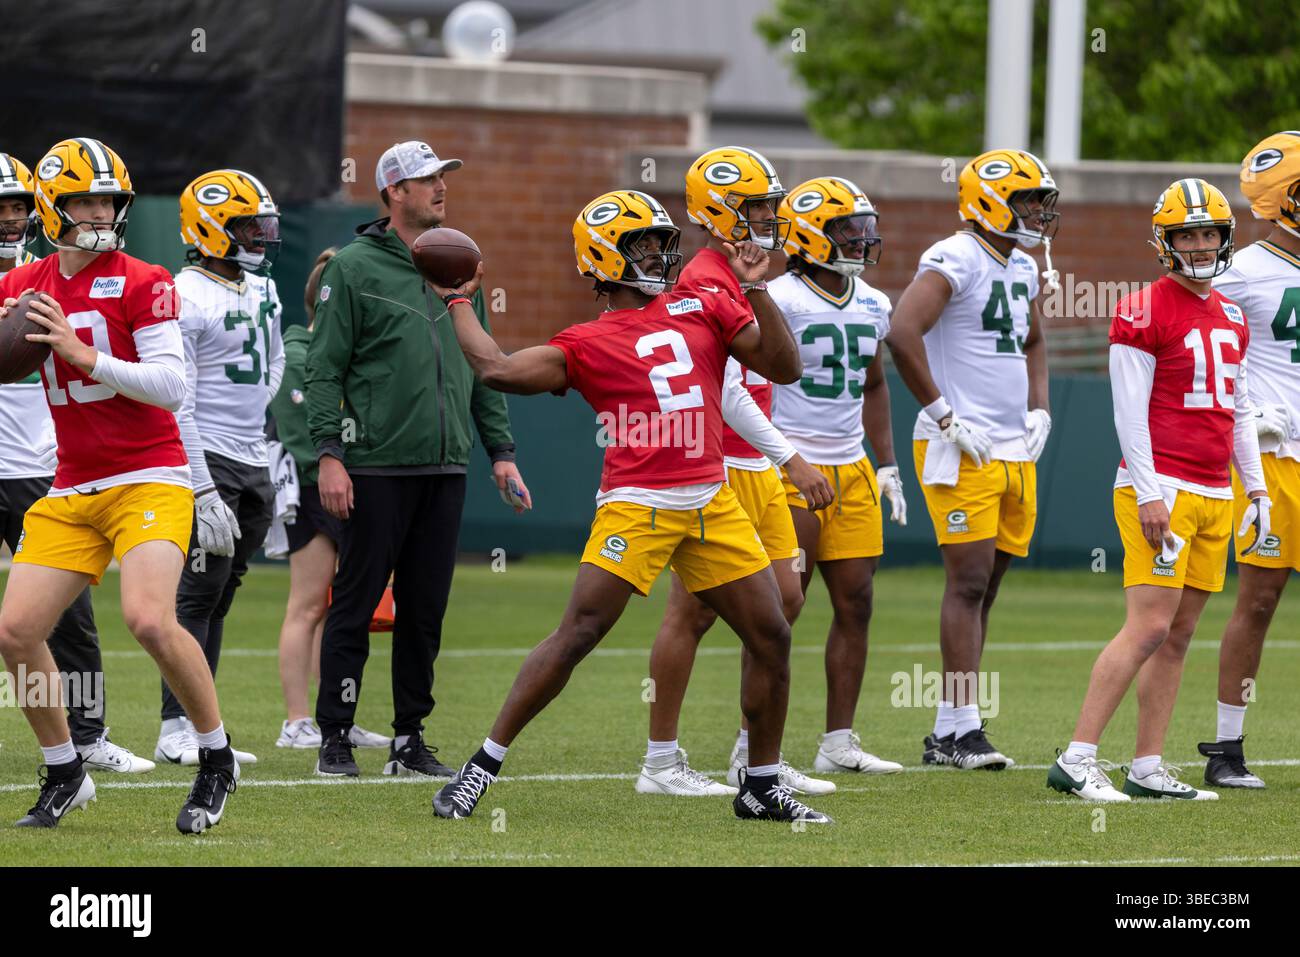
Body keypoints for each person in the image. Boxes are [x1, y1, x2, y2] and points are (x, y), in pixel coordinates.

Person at [433, 188, 833, 824]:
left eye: (661, 242)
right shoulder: (586, 342)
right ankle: (479, 769)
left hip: (711, 498)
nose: (658, 254)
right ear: (602, 258)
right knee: (579, 634)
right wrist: (457, 300)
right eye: (641, 244)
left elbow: (783, 367)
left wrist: (757, 288)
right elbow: (497, 370)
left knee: (772, 635)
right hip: (638, 505)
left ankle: (758, 786)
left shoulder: (702, 306)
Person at [0, 137, 240, 832]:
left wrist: (84, 353)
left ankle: (214, 755)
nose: (101, 211)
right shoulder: (21, 285)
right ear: (53, 205)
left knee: (148, 617)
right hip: (73, 483)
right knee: (15, 632)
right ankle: (64, 769)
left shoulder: (145, 278)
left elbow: (171, 385)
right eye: (86, 199)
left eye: (109, 198)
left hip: (148, 475)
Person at [307, 141, 529, 777]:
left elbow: (484, 363)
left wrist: (502, 453)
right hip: (374, 465)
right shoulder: (353, 267)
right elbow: (324, 370)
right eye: (426, 179)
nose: (441, 188)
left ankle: (409, 739)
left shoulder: (460, 263)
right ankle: (336, 736)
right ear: (393, 192)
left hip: (445, 466)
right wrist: (329, 454)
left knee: (425, 611)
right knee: (354, 604)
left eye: (443, 178)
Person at [1048, 178, 1269, 802]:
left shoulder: (1230, 311)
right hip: (1163, 486)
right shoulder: (1144, 307)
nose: (1199, 245)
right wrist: (1148, 493)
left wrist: (1256, 490)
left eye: (1208, 233)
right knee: (1147, 627)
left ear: (1225, 237)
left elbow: (1241, 406)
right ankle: (1078, 756)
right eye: (1186, 234)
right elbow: (1129, 412)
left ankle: (1147, 765)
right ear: (1164, 241)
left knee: (1179, 634)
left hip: (1214, 493)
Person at [636, 146, 838, 798]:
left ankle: (753, 754)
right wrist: (791, 455)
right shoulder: (698, 278)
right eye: (754, 205)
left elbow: (783, 365)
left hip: (752, 461)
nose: (767, 217)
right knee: (690, 613)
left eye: (768, 205)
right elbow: (720, 388)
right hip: (715, 463)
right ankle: (660, 761)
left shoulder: (742, 273)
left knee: (784, 601)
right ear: (718, 211)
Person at [886, 149, 1058, 770]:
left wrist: (1040, 407)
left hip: (1012, 447)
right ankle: (962, 728)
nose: (1038, 213)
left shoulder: (1017, 264)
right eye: (1027, 201)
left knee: (986, 588)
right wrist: (943, 415)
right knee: (967, 583)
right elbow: (902, 332)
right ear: (989, 201)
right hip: (960, 444)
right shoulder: (956, 255)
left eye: (1042, 202)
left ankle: (947, 728)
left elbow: (1034, 340)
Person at [0, 152, 152, 774]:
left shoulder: (49, 276)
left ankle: (85, 736)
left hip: (38, 461)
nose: (9, 220)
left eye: (15, 207)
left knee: (65, 620)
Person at [766, 175, 905, 778]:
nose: (860, 239)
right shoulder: (776, 298)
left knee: (858, 602)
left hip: (852, 467)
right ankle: (754, 752)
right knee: (782, 608)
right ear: (806, 236)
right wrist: (779, 458)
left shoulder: (873, 302)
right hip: (793, 465)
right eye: (846, 228)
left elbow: (874, 384)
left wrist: (889, 464)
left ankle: (838, 740)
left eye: (863, 228)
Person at [155, 168, 286, 767]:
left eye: (263, 225)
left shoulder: (263, 289)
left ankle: (202, 719)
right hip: (209, 457)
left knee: (222, 594)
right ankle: (175, 725)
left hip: (253, 457)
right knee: (194, 595)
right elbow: (177, 396)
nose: (261, 237)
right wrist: (202, 486)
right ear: (210, 229)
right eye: (247, 227)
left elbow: (275, 364)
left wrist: (260, 431)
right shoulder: (183, 292)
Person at [1197, 132, 1300, 788]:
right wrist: (1243, 413)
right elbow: (1207, 359)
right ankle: (1226, 747)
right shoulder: (1241, 274)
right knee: (1258, 600)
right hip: (1274, 457)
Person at [270, 248, 388, 752]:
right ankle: (297, 720)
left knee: (340, 607)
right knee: (308, 603)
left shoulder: (351, 353)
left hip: (348, 485)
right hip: (309, 486)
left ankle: (335, 714)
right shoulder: (299, 354)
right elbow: (301, 436)